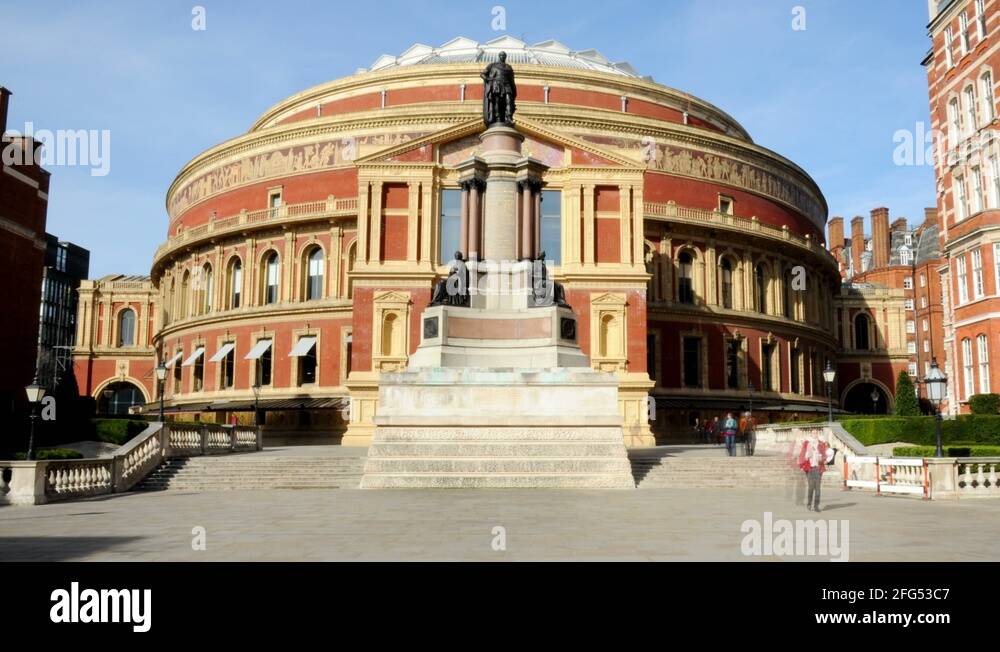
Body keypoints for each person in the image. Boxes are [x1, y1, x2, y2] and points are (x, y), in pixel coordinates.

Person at [798, 430, 834, 512]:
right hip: (809, 467)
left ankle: (816, 506)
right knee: (811, 487)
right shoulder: (806, 443)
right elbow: (802, 454)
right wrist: (805, 458)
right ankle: (809, 504)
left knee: (817, 488)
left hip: (818, 467)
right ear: (810, 434)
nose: (815, 434)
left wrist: (824, 459)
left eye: (816, 433)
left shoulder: (821, 443)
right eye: (813, 433)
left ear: (817, 434)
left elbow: (826, 454)